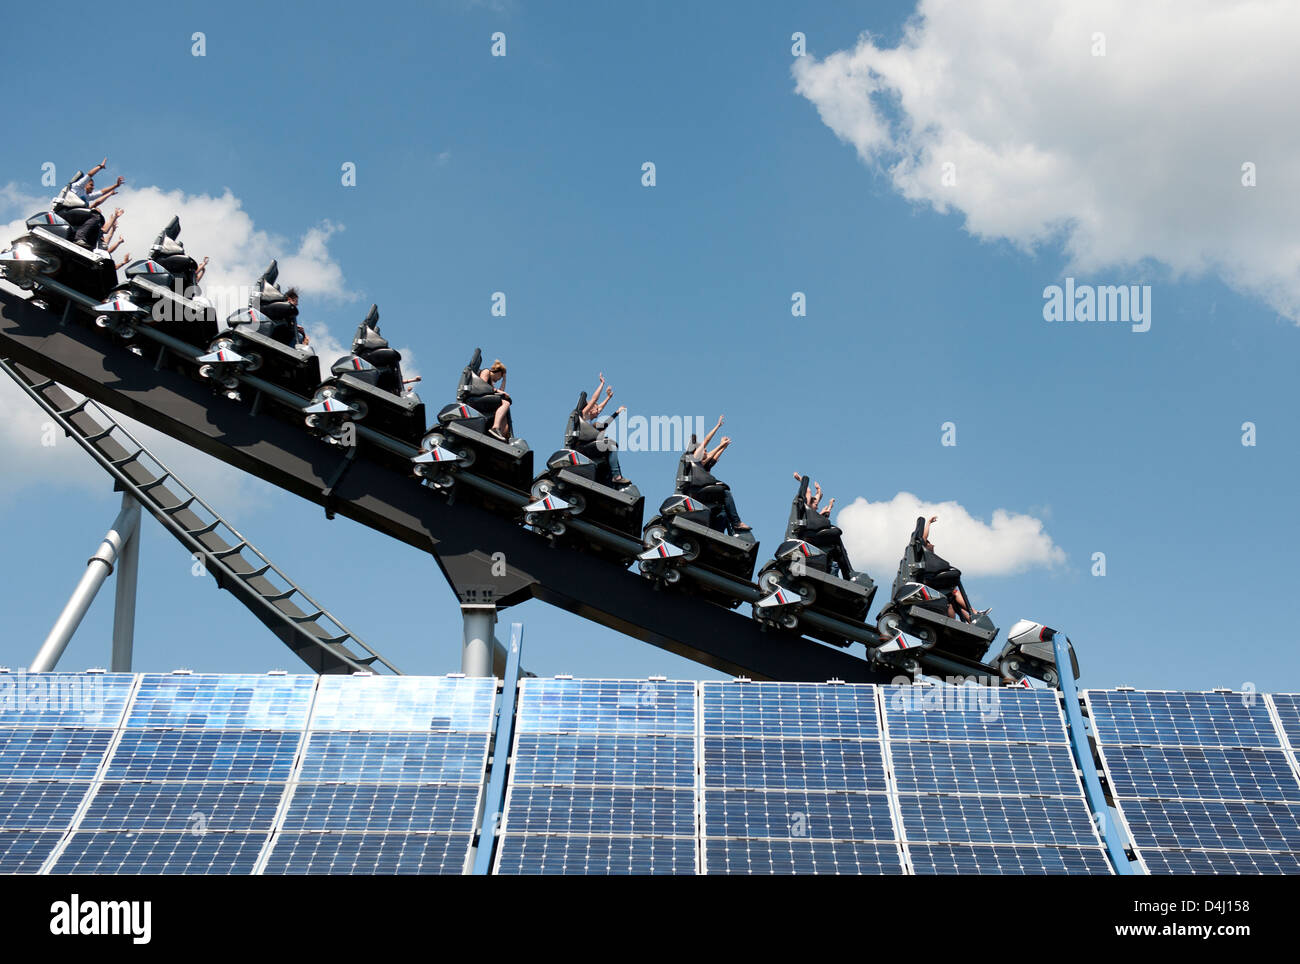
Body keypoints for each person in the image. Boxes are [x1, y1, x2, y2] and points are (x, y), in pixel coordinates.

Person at [682, 415, 750, 533]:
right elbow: (706, 441)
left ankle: (718, 535)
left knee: (722, 512)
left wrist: (724, 446)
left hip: (704, 493)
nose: (706, 452)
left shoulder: (702, 465)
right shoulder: (692, 458)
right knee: (725, 493)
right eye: (704, 450)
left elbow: (713, 457)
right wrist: (717, 427)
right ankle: (737, 523)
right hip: (698, 492)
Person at [914, 515, 988, 623]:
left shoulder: (927, 558)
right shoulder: (923, 552)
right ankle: (975, 613)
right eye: (930, 543)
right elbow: (923, 539)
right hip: (929, 582)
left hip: (933, 586)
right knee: (954, 592)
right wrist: (929, 523)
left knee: (952, 600)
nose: (933, 545)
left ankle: (971, 619)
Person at [58, 159, 125, 250]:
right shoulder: (77, 187)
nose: (93, 187)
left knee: (99, 221)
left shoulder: (86, 196)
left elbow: (102, 192)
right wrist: (100, 167)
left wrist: (116, 185)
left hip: (74, 215)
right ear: (85, 184)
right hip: (65, 212)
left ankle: (91, 246)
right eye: (91, 185)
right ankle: (79, 238)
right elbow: (90, 175)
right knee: (95, 215)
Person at [467, 359, 513, 441]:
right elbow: (482, 386)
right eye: (500, 377)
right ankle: (495, 428)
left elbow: (501, 391)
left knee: (505, 413)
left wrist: (504, 379)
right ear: (498, 372)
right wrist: (498, 391)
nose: (499, 379)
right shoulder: (486, 371)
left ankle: (502, 436)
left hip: (484, 399)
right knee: (505, 403)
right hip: (477, 399)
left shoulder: (491, 383)